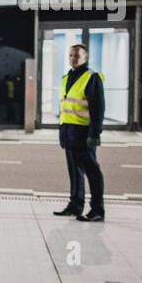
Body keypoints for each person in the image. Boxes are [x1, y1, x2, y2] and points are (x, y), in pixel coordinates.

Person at [54, 43, 106, 222]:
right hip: (69, 132)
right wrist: (62, 132)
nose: (72, 58)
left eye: (76, 56)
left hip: (84, 133)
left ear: (85, 58)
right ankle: (75, 205)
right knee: (74, 172)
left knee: (92, 171)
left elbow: (98, 109)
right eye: (70, 55)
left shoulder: (91, 77)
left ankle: (97, 210)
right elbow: (65, 107)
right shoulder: (67, 77)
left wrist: (94, 135)